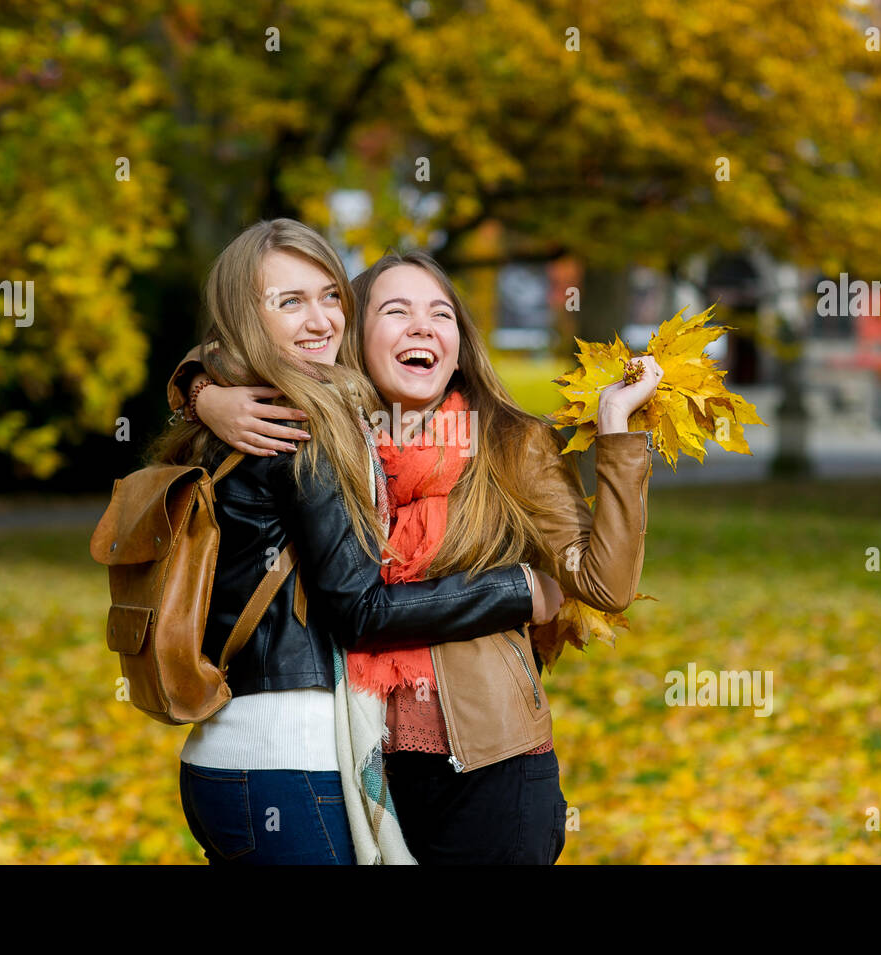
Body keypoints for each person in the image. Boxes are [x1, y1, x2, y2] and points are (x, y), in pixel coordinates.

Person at [171, 248, 661, 864]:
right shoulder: (327, 434)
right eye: (395, 311)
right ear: (355, 337)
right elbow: (249, 338)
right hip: (364, 764)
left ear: (459, 341)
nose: (422, 326)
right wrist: (201, 390)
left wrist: (617, 429)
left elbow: (606, 582)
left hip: (490, 763)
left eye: (441, 314)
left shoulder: (510, 441)